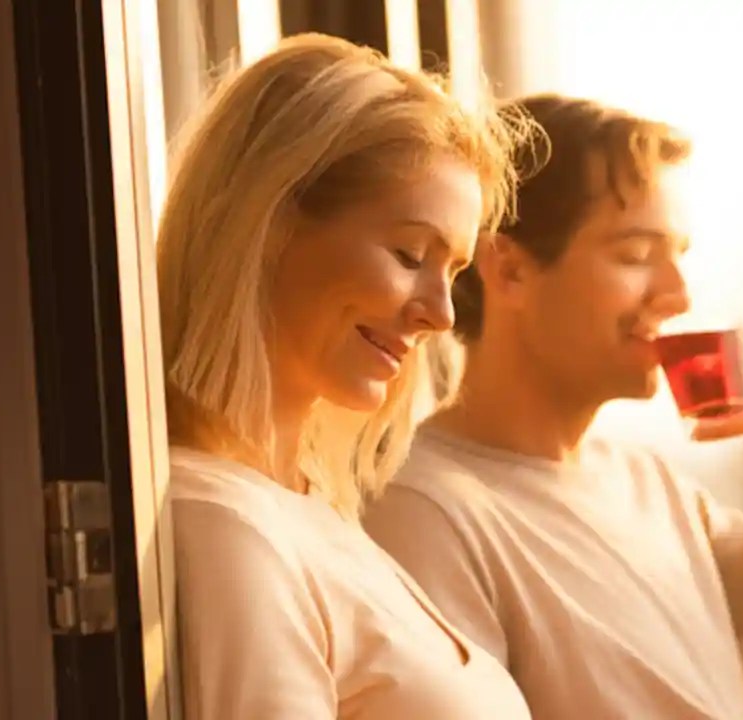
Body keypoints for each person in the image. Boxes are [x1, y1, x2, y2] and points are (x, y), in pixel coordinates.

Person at [363, 94, 743, 719]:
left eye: (678, 256)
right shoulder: (419, 512)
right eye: (636, 256)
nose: (677, 295)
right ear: (508, 270)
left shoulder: (655, 490)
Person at [156, 33, 534, 719]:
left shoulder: (307, 512)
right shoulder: (224, 526)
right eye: (408, 253)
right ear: (268, 220)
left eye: (450, 272)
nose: (440, 315)